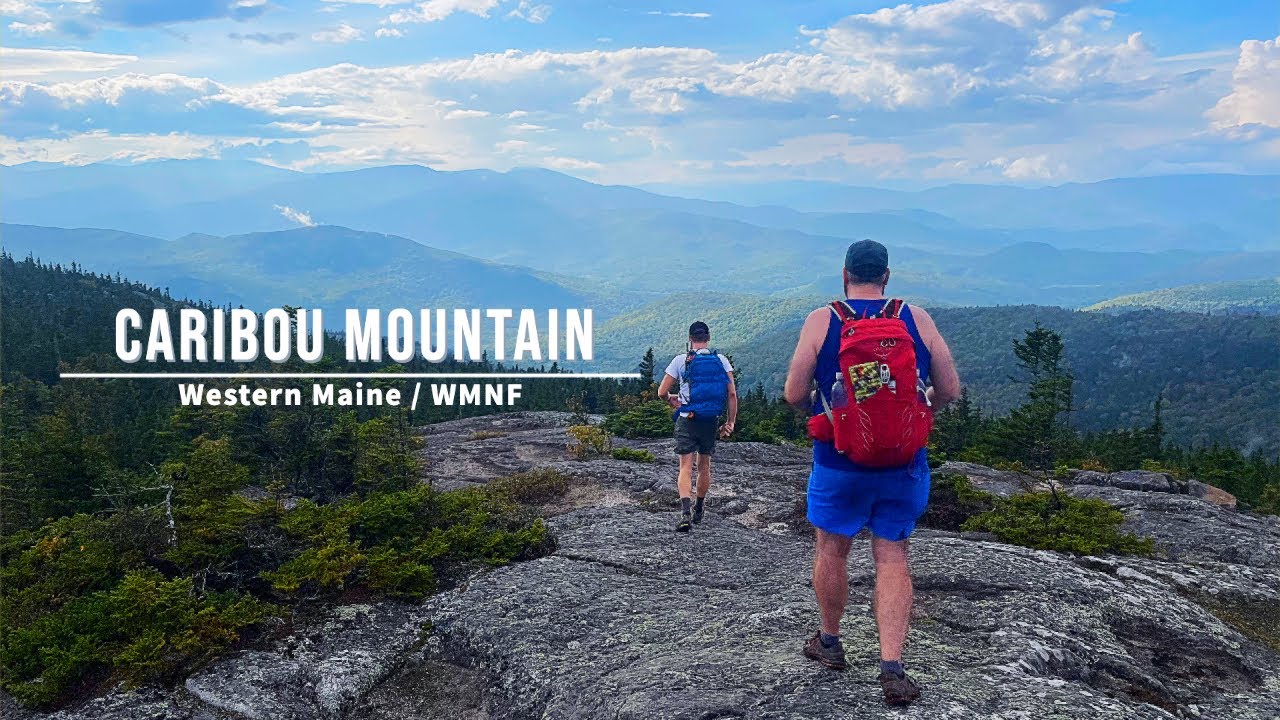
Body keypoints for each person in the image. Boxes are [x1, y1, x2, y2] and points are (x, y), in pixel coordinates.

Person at [783, 239, 960, 706]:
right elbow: (950, 388)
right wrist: (921, 419)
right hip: (903, 463)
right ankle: (892, 668)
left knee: (832, 548)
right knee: (893, 556)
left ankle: (829, 642)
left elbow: (792, 390)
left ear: (845, 275)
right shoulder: (914, 317)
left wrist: (824, 415)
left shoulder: (824, 320)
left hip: (839, 461)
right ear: (886, 276)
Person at [657, 321, 738, 532]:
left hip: (688, 417)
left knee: (685, 467)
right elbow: (731, 393)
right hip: (709, 420)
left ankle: (685, 514)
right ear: (708, 338)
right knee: (705, 466)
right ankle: (699, 509)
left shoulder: (680, 360)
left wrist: (671, 400)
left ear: (690, 339)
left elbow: (661, 391)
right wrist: (730, 422)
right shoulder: (720, 360)